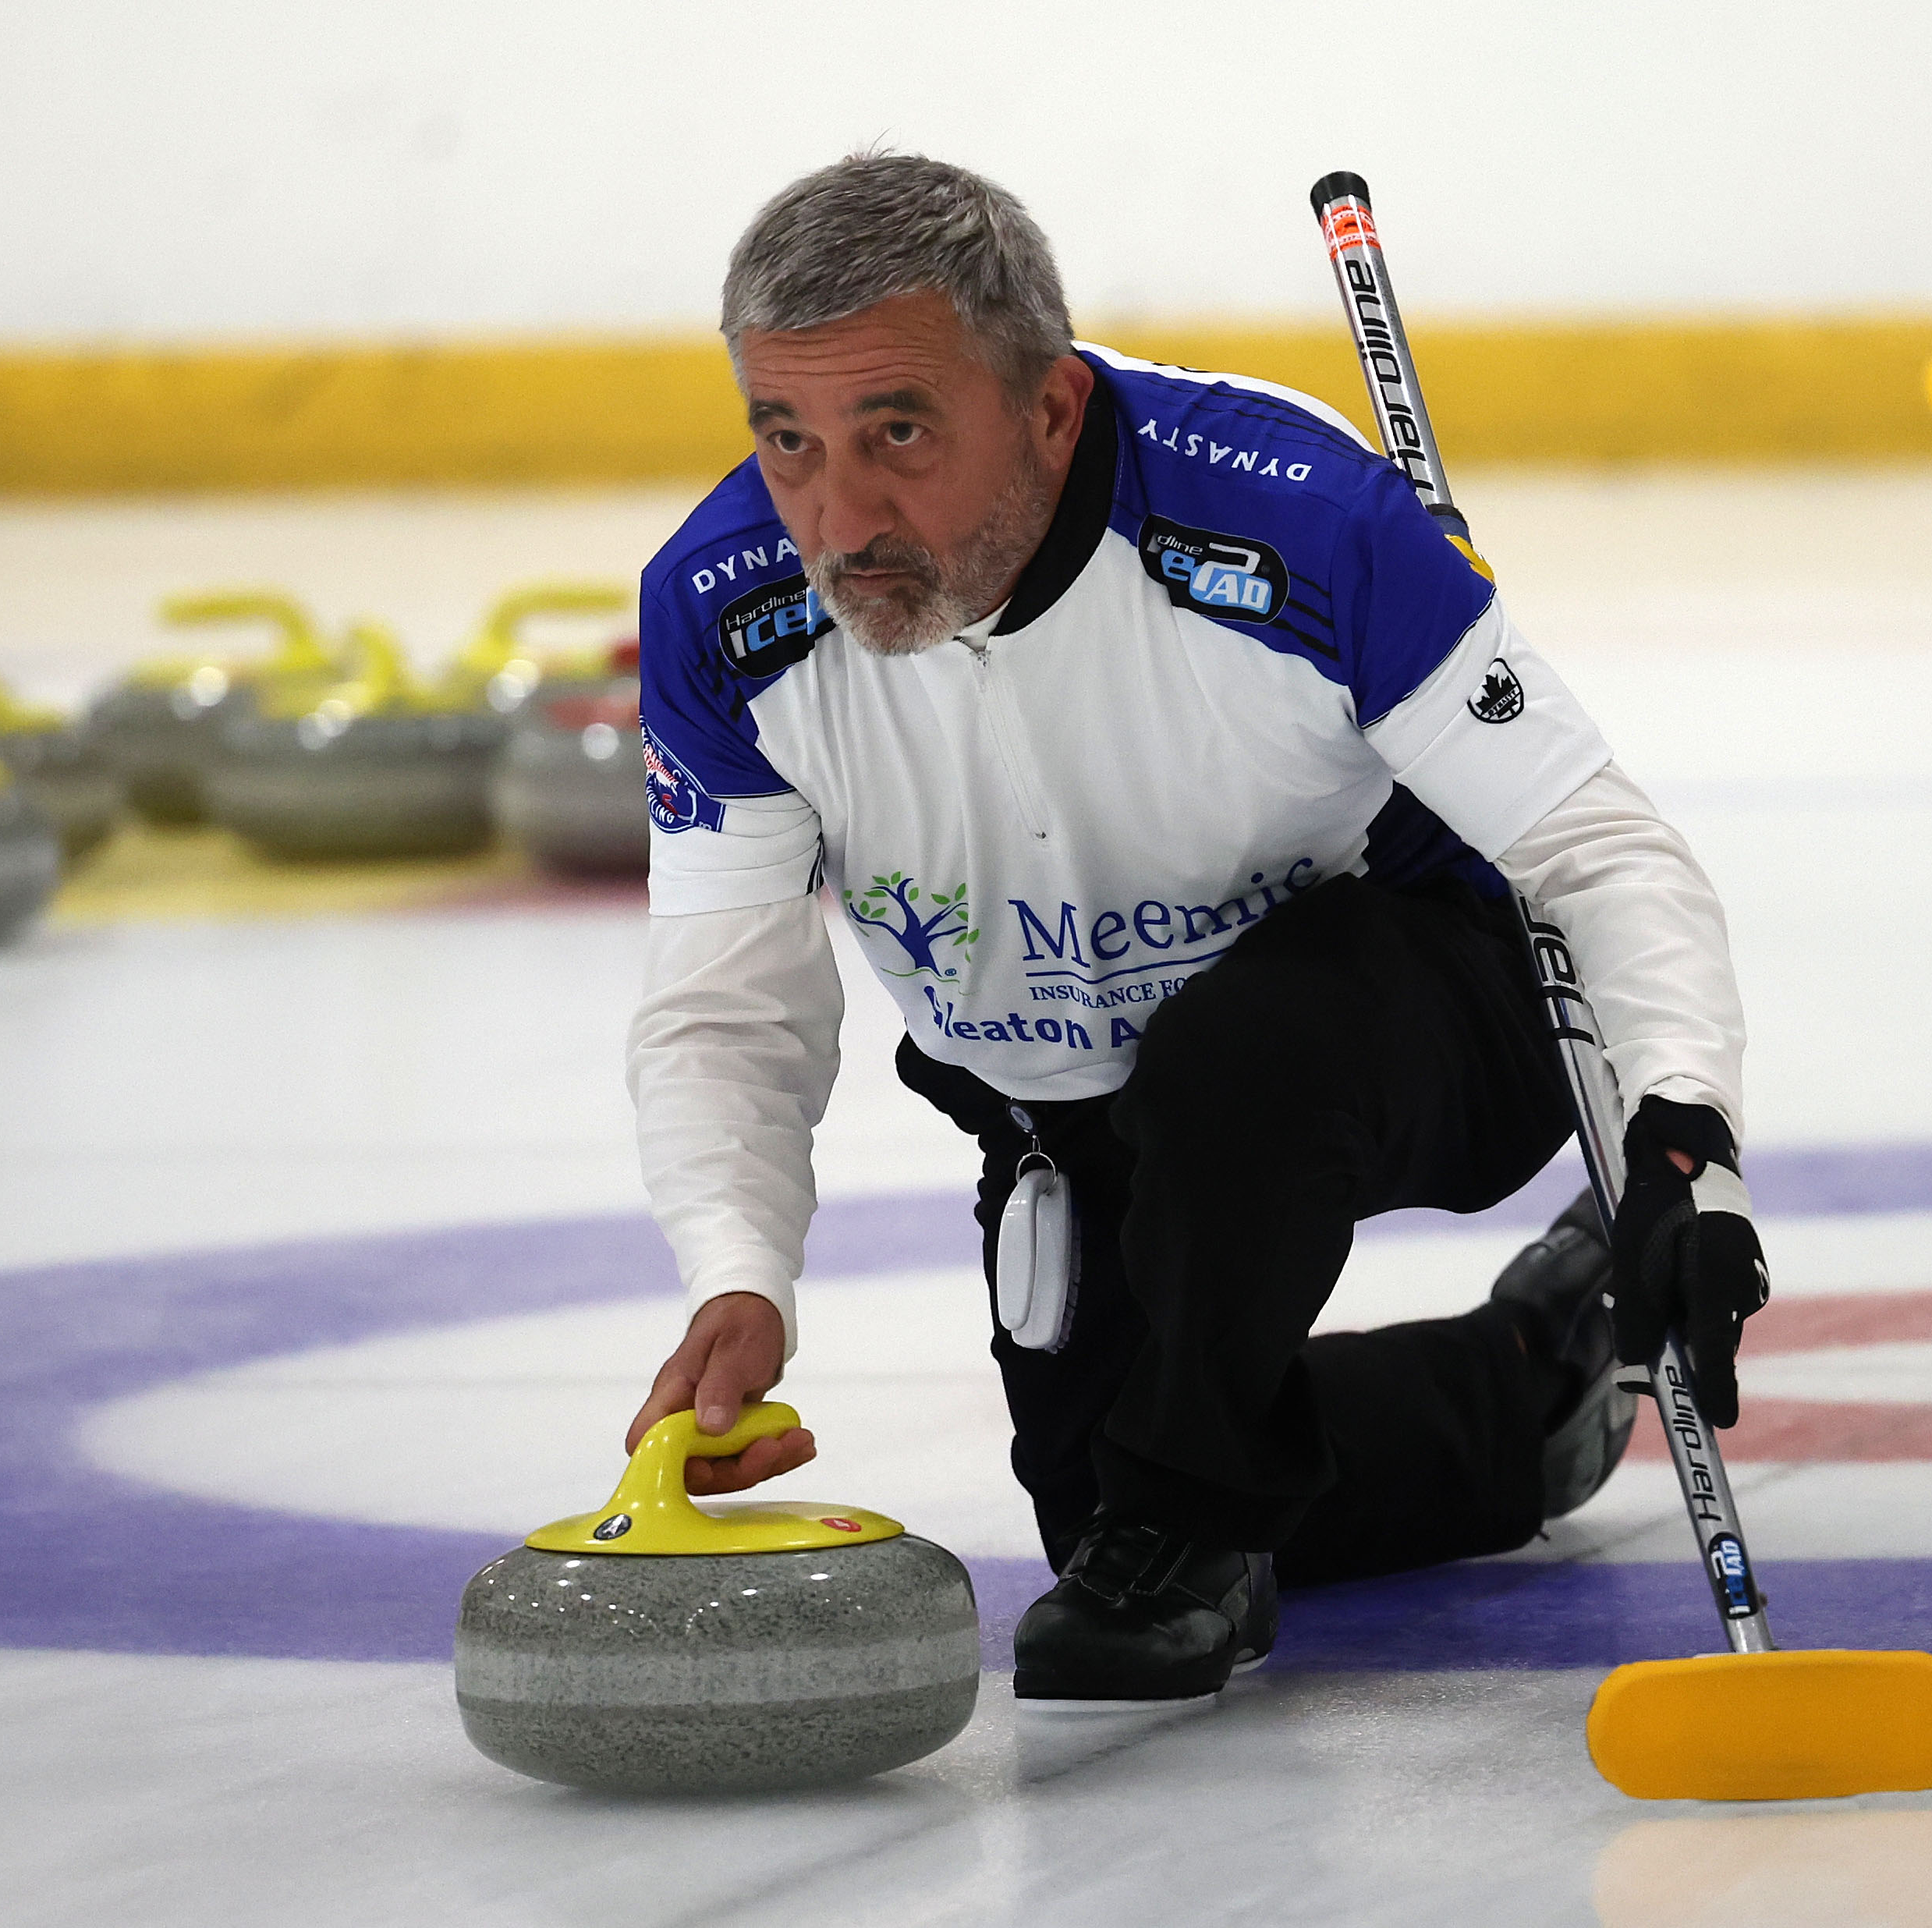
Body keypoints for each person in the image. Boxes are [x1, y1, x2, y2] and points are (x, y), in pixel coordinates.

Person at [622, 153, 1767, 1706]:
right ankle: (1516, 1387)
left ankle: (1190, 1508)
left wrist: (1679, 1139)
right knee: (1107, 1505)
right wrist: (736, 1273)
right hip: (1059, 1088)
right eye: (785, 440)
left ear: (1046, 409)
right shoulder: (720, 613)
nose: (838, 515)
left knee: (1233, 1101)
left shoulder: (1295, 521)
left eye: (896, 431)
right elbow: (725, 1001)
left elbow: (1594, 844)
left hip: (1416, 997)